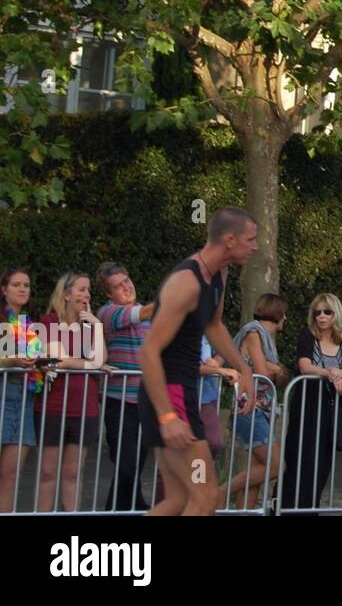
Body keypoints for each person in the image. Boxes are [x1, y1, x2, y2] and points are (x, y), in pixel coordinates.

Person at [137, 208, 257, 516]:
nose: (255, 246)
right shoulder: (185, 283)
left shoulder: (219, 273)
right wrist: (167, 417)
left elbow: (213, 325)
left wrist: (244, 369)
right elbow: (148, 351)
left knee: (177, 500)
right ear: (229, 240)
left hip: (182, 393)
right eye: (250, 239)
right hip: (170, 398)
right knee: (206, 497)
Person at [282, 292, 342, 513]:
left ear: (336, 314)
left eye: (327, 311)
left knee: (324, 461)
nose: (321, 316)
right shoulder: (308, 335)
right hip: (309, 404)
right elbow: (305, 365)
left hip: (333, 407)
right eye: (317, 312)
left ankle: (311, 507)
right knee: (302, 458)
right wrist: (331, 375)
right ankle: (288, 507)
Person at [37, 271, 109, 512]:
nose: (86, 295)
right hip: (53, 406)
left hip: (84, 408)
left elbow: (99, 358)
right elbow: (56, 358)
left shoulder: (90, 326)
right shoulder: (49, 321)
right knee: (47, 472)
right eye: (81, 289)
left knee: (73, 473)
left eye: (88, 290)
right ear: (66, 294)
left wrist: (97, 325)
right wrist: (89, 364)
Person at [95, 261, 156, 511]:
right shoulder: (108, 313)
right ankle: (125, 507)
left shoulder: (144, 312)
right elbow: (140, 314)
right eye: (118, 286)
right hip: (119, 400)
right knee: (126, 463)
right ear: (109, 294)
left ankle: (128, 506)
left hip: (144, 399)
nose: (126, 288)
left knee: (135, 465)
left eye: (127, 281)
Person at [227, 292, 290, 510]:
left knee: (257, 475)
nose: (286, 320)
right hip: (251, 408)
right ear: (279, 315)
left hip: (263, 409)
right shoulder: (253, 332)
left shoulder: (266, 338)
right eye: (285, 315)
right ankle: (219, 493)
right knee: (276, 466)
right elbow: (264, 373)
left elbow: (283, 376)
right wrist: (274, 369)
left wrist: (276, 370)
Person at [1, 266, 42, 513]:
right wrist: (12, 360)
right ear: (4, 290)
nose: (22, 289)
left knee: (11, 473)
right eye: (16, 285)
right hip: (3, 393)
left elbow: (32, 358)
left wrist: (42, 366)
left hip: (23, 397)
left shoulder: (28, 323)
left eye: (26, 285)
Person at [198, 335, 239, 457]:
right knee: (179, 446)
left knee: (211, 442)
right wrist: (219, 370)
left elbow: (222, 351)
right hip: (179, 394)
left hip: (206, 395)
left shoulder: (209, 327)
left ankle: (197, 475)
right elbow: (185, 366)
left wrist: (215, 363)